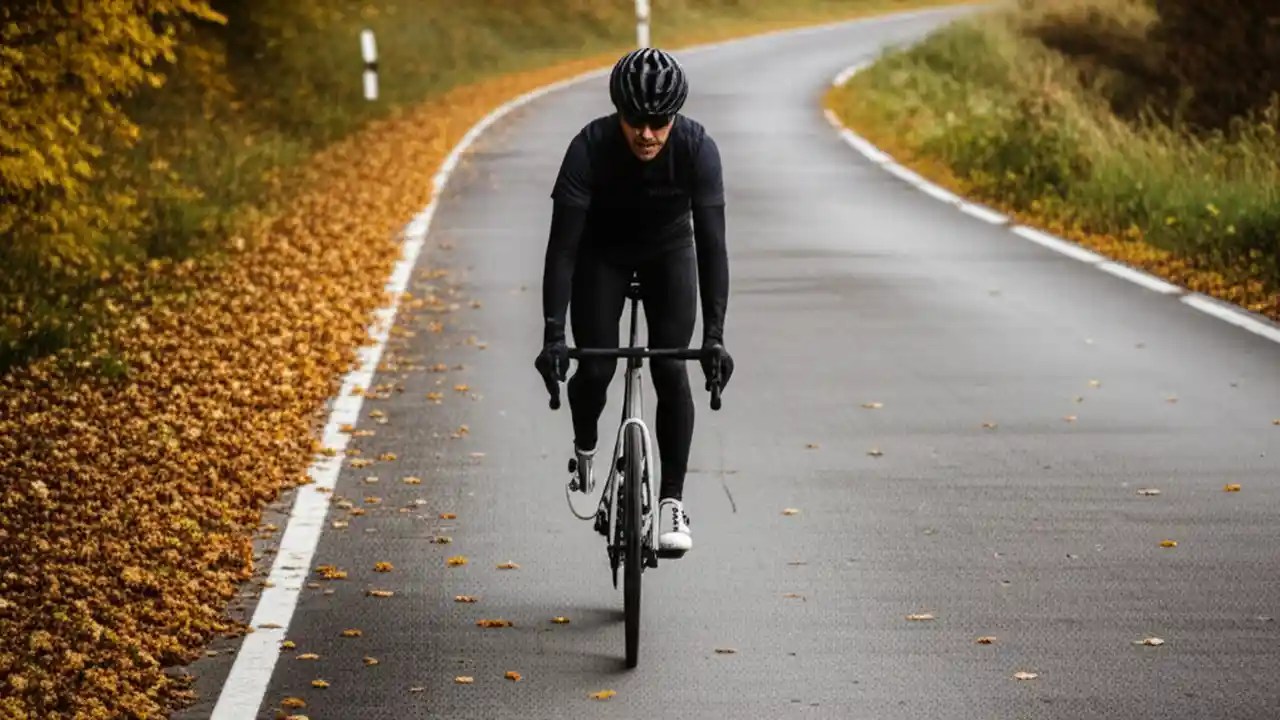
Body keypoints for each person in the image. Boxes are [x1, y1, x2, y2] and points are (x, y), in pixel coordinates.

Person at [535, 47, 734, 556]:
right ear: (618, 113)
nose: (647, 133)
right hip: (602, 252)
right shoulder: (589, 147)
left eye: (659, 121)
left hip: (670, 249)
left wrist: (714, 337)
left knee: (672, 368)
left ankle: (672, 501)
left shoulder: (696, 148)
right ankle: (585, 450)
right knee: (596, 368)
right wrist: (554, 336)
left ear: (675, 116)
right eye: (635, 121)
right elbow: (561, 251)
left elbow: (712, 247)